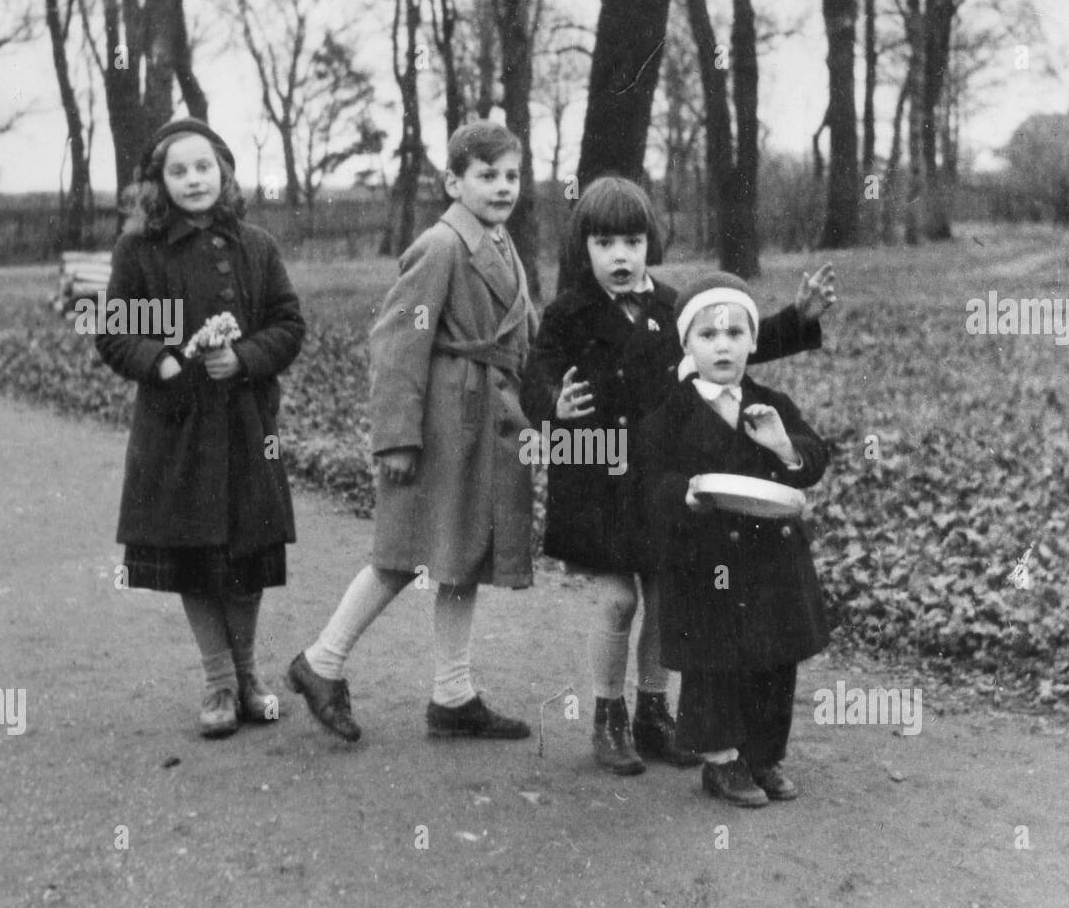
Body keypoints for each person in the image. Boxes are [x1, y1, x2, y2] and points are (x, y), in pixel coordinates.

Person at [520, 176, 836, 775]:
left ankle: (652, 710)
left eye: (633, 241)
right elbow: (537, 373)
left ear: (650, 244)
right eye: (604, 242)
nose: (620, 255)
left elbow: (734, 339)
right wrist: (550, 405)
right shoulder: (568, 312)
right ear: (581, 248)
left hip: (662, 480)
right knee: (616, 600)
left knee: (666, 596)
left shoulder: (673, 308)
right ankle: (607, 716)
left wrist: (798, 318)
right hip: (594, 479)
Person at [286, 120, 538, 743]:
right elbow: (396, 343)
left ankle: (452, 694)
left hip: (487, 418)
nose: (502, 187)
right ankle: (321, 661)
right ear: (454, 181)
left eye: (511, 175)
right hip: (443, 423)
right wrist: (396, 438)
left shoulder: (501, 243)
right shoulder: (442, 245)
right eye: (487, 175)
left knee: (462, 553)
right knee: (403, 552)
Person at [97, 117, 305, 739]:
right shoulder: (141, 251)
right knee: (193, 556)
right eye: (178, 170)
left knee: (247, 551)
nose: (193, 180)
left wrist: (244, 357)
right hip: (176, 427)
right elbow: (114, 329)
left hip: (246, 424)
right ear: (159, 182)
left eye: (204, 167)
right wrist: (157, 359)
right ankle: (217, 681)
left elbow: (288, 325)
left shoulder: (256, 247)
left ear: (224, 173)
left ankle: (248, 676)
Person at [635, 273, 831, 807]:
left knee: (773, 659)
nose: (722, 346)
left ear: (752, 342)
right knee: (715, 663)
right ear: (687, 345)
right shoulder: (670, 415)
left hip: (771, 561)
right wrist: (686, 494)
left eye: (734, 333)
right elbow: (652, 483)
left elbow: (813, 460)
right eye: (707, 335)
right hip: (705, 561)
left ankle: (764, 756)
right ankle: (721, 761)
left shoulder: (772, 404)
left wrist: (786, 447)